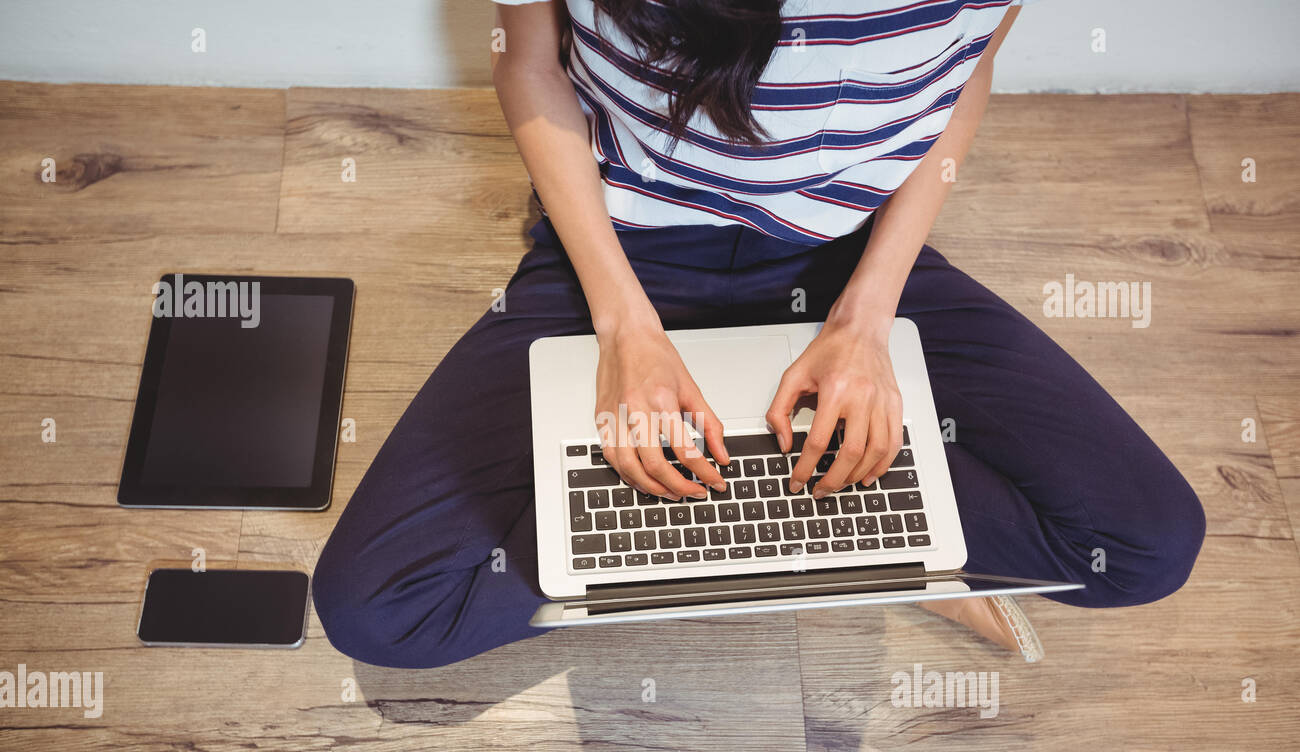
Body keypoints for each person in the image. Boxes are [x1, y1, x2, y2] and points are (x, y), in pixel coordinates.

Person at [312, 0, 1205, 668]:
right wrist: (625, 327)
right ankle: (859, 546)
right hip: (629, 245)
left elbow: (962, 77)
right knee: (375, 610)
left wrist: (866, 321)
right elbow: (528, 64)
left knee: (1147, 546)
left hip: (843, 255)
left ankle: (860, 543)